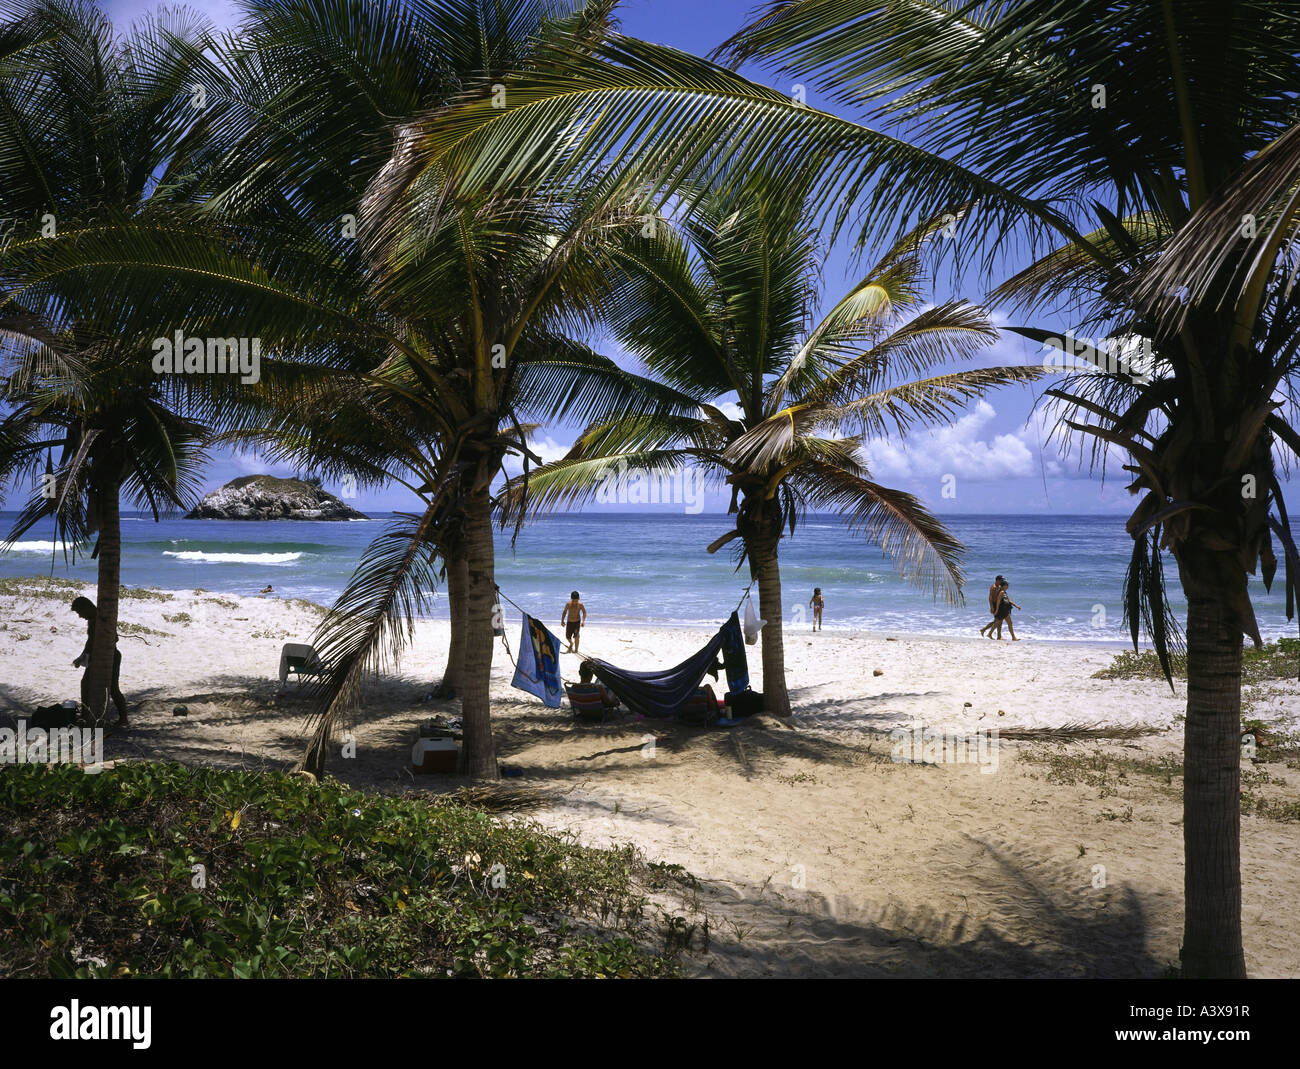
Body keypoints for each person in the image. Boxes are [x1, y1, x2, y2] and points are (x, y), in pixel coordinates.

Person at [70, 596, 128, 726]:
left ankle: (124, 718)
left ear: (86, 608)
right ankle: (86, 715)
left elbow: (115, 638)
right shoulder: (92, 620)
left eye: (80, 612)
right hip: (96, 658)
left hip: (110, 656)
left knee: (113, 689)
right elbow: (90, 642)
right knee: (85, 684)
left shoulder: (101, 618)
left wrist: (99, 649)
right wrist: (82, 656)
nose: (80, 616)